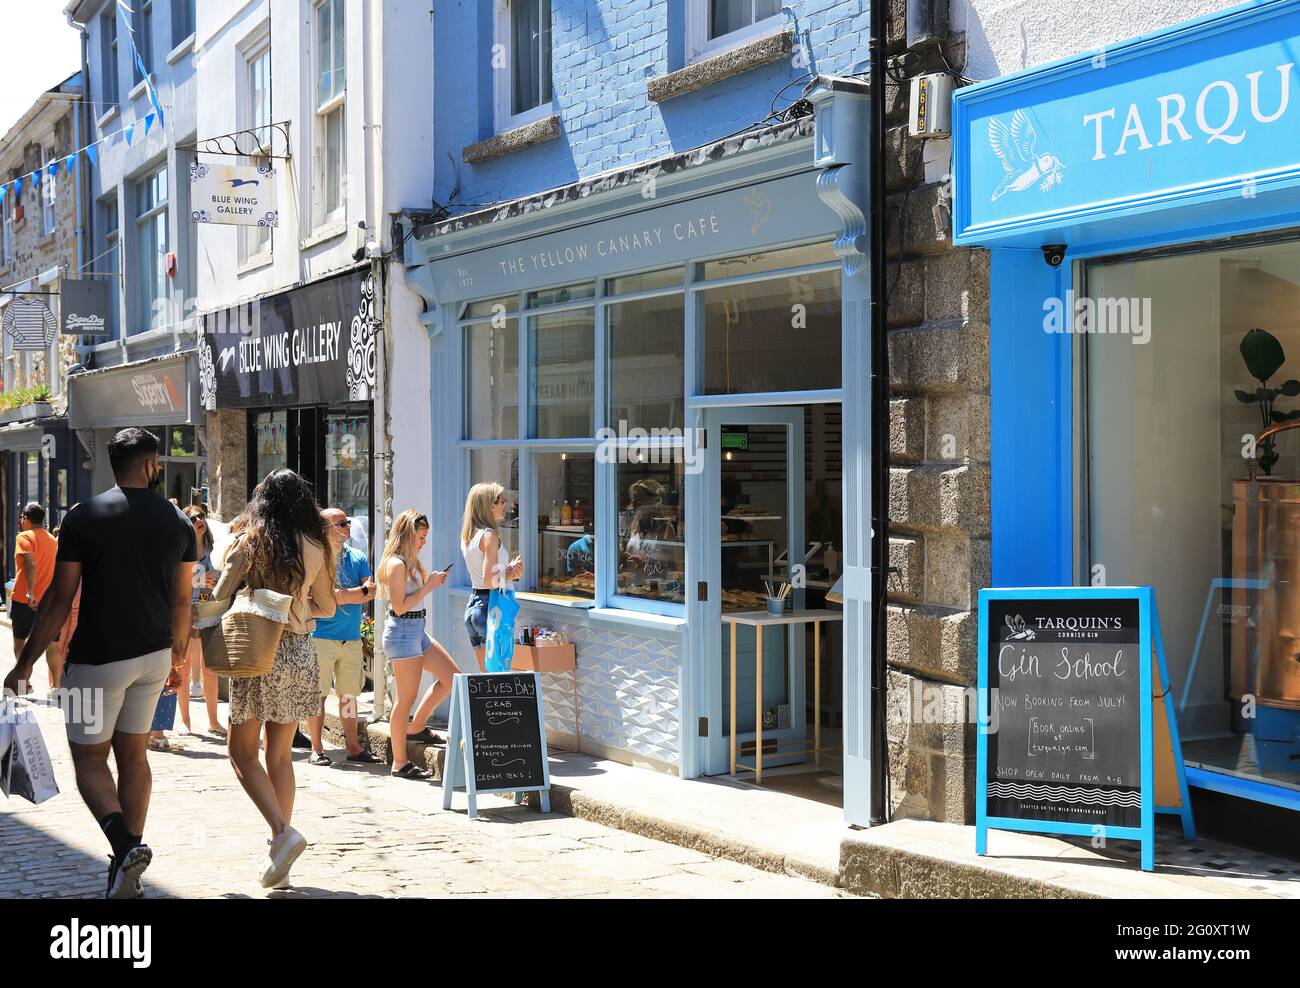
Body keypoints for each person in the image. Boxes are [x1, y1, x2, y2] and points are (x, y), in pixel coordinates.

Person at [3, 428, 197, 898]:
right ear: (152, 466)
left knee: (90, 760)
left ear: (114, 464)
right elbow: (182, 601)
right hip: (151, 658)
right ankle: (122, 872)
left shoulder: (84, 516)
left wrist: (25, 663)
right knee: (134, 756)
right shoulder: (178, 522)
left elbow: (58, 599)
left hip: (95, 664)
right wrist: (177, 655)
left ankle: (123, 844)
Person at [210, 469, 336, 889]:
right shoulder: (316, 546)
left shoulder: (251, 541)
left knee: (241, 752)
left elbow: (220, 594)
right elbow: (329, 607)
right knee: (280, 756)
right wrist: (298, 604)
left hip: (259, 649)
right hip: (301, 651)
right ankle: (280, 861)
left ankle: (282, 834)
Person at [379, 510, 458, 779]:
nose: (424, 543)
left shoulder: (410, 562)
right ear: (409, 535)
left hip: (417, 630)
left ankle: (417, 726)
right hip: (402, 633)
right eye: (421, 537)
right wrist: (429, 586)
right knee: (405, 700)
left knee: (452, 677)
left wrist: (428, 582)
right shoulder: (396, 564)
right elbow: (400, 607)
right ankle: (399, 762)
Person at [307, 508, 381, 765]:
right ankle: (316, 749)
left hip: (350, 638)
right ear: (326, 529)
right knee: (318, 695)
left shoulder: (357, 556)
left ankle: (352, 745)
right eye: (341, 523)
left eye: (347, 522)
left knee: (349, 695)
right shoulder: (318, 559)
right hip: (322, 636)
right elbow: (329, 597)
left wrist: (350, 594)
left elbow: (370, 591)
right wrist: (354, 593)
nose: (348, 526)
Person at [460, 484, 523, 671]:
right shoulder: (489, 535)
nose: (506, 505)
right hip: (492, 606)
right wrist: (512, 572)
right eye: (502, 501)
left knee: (486, 679)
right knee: (497, 678)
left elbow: (483, 574)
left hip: (474, 603)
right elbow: (490, 579)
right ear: (490, 505)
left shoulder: (469, 535)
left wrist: (507, 569)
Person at [178, 505, 223, 738]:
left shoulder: (215, 549)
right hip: (186, 612)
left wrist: (217, 583)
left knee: (210, 669)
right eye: (193, 518)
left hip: (210, 611)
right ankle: (185, 722)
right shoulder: (180, 550)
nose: (198, 520)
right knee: (183, 668)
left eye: (201, 516)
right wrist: (199, 580)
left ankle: (213, 722)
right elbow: (173, 580)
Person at [11, 502, 59, 686]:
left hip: (25, 599)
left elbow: (30, 564)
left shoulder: (24, 537)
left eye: (21, 517)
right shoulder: (51, 540)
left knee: (19, 642)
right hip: (48, 600)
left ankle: (24, 684)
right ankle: (56, 686)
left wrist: (30, 593)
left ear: (26, 519)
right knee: (52, 643)